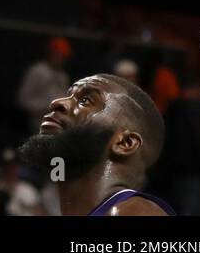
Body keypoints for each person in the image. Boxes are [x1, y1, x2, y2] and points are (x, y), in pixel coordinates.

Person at [18, 73, 173, 215]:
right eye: (68, 95)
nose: (56, 103)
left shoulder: (135, 212)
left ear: (125, 143)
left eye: (85, 100)